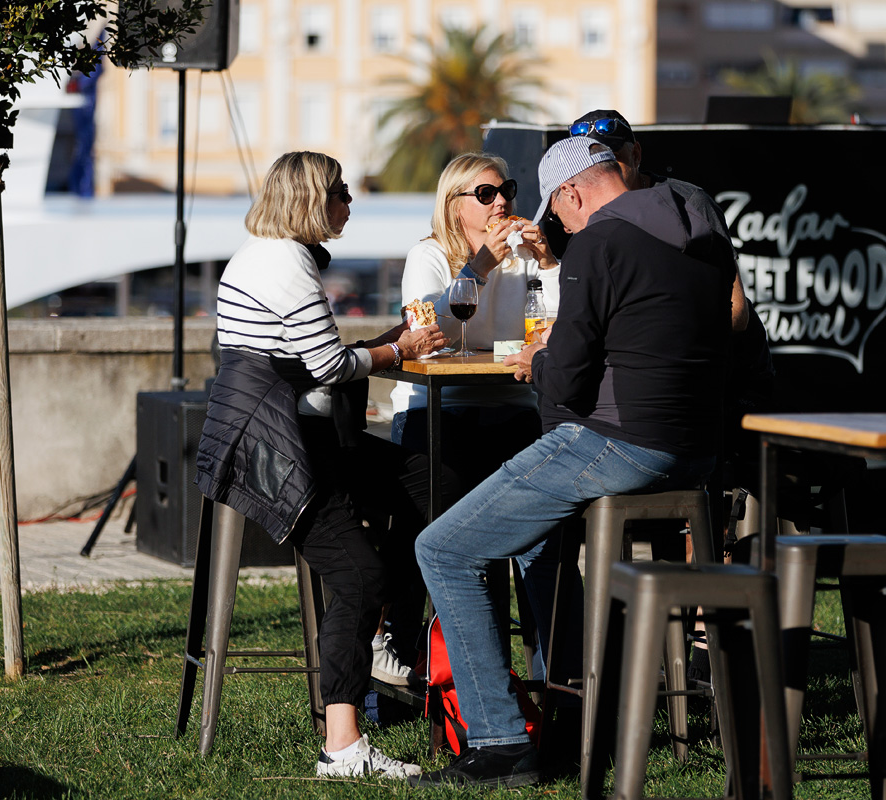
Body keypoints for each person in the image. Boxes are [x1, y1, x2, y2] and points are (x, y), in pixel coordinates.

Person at [410, 137, 735, 788]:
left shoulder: (599, 244)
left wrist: (540, 362)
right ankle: (572, 712)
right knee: (539, 543)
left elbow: (568, 378)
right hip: (695, 453)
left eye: (557, 210)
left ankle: (500, 741)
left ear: (571, 192)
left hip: (616, 441)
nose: (558, 222)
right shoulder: (698, 221)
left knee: (443, 548)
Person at [194, 151, 454, 780]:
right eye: (340, 191)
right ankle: (343, 745)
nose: (349, 202)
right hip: (278, 450)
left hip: (294, 435)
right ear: (312, 199)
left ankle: (390, 636)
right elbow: (330, 367)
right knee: (361, 576)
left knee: (432, 483)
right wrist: (396, 351)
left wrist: (388, 344)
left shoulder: (269, 254)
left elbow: (314, 358)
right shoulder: (285, 262)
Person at [389, 153, 582, 684]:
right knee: (447, 535)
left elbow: (562, 326)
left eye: (506, 191)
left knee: (546, 544)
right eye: (485, 194)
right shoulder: (429, 256)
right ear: (455, 207)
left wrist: (549, 263)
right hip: (438, 411)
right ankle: (427, 667)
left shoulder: (524, 257)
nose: (501, 202)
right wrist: (477, 268)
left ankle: (561, 683)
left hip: (513, 407)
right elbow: (429, 336)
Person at [568, 109, 750, 333]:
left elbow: (737, 311)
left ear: (636, 155)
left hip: (715, 352)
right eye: (588, 165)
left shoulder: (688, 202)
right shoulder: (584, 211)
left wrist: (662, 340)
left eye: (612, 159)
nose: (602, 172)